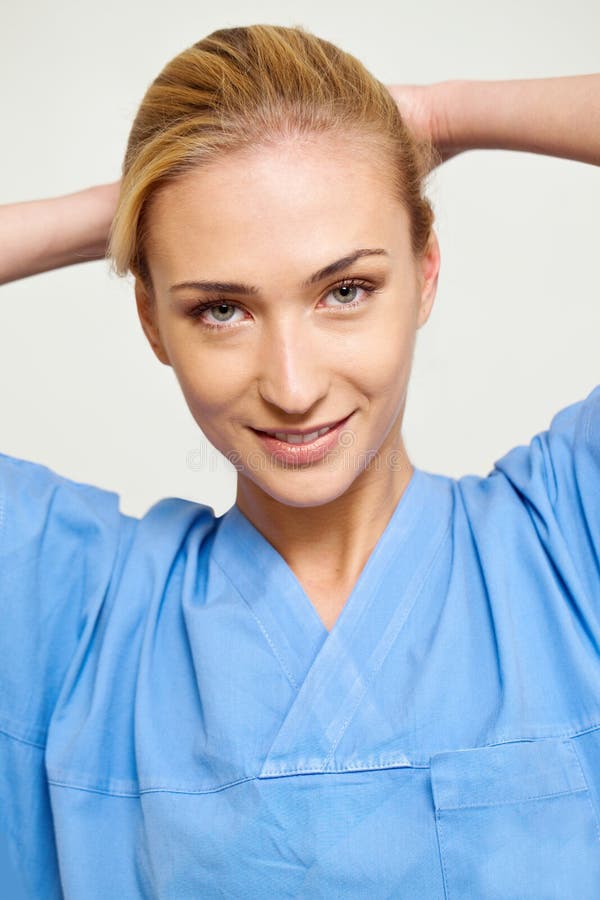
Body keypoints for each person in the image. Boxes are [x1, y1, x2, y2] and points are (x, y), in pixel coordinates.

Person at [0, 22, 598, 900]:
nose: (292, 384)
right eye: (219, 308)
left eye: (345, 290)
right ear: (151, 320)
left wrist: (439, 117)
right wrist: (137, 212)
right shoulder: (68, 611)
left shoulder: (569, 543)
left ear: (426, 271)